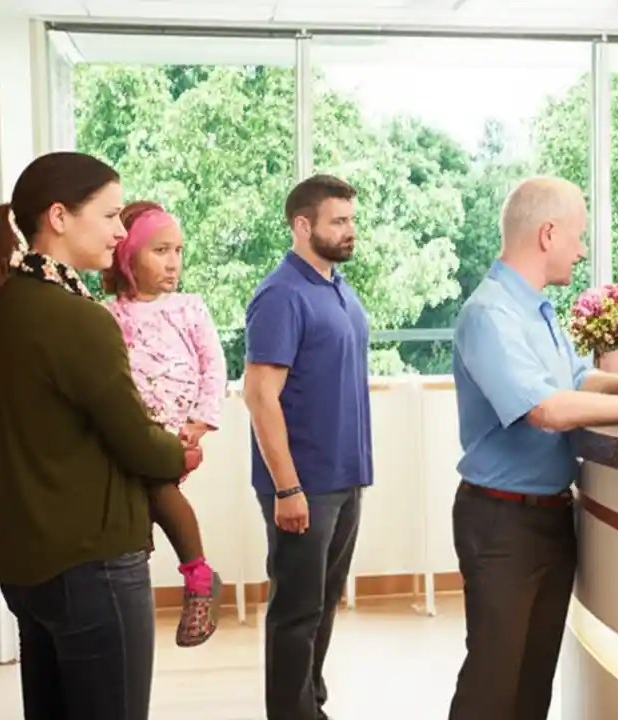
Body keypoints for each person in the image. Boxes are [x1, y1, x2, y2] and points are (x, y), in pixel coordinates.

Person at [448, 175, 618, 720]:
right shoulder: (491, 313)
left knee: (531, 686)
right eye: (577, 235)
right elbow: (549, 409)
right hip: (500, 523)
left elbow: (577, 379)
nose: (581, 248)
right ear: (547, 234)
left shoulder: (537, 310)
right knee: (492, 688)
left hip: (547, 518)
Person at [0, 151, 202, 720]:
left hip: (27, 565)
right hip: (91, 564)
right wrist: (180, 450)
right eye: (110, 216)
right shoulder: (78, 318)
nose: (120, 232)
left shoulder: (0, 309)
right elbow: (136, 442)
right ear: (58, 217)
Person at [243, 174, 372, 720]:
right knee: (296, 611)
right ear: (302, 226)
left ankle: (309, 704)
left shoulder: (338, 287)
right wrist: (287, 487)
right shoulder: (281, 295)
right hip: (304, 485)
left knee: (322, 605)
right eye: (337, 221)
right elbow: (259, 394)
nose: (350, 231)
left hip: (345, 478)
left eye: (351, 219)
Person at [101, 200, 226, 647]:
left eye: (178, 251)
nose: (173, 262)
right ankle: (161, 576)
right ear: (127, 256)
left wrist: (200, 422)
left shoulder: (188, 309)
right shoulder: (108, 315)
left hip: (176, 434)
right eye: (160, 251)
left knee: (155, 489)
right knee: (144, 496)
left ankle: (198, 577)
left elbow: (214, 366)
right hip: (132, 433)